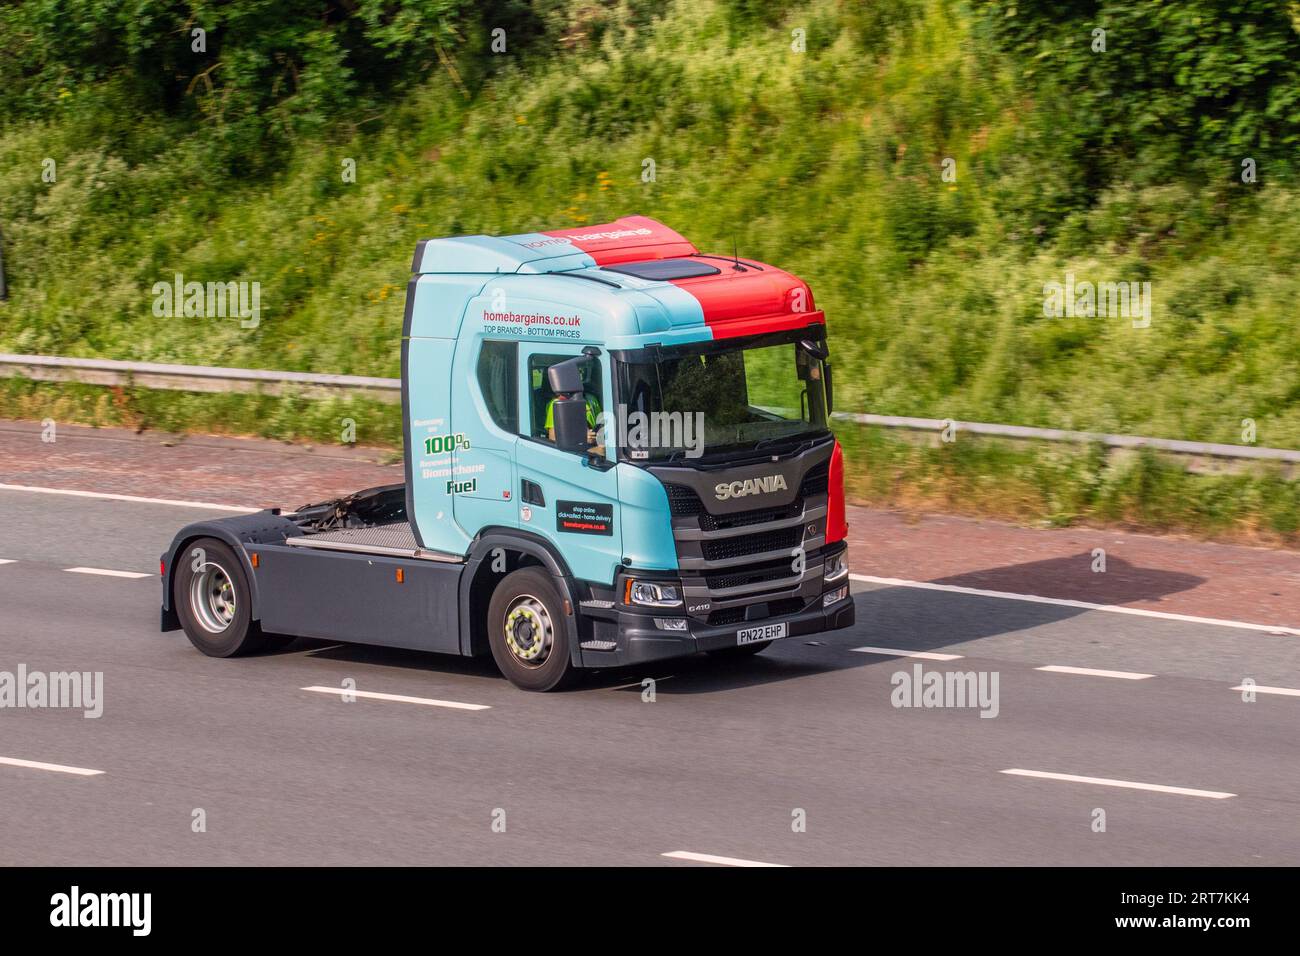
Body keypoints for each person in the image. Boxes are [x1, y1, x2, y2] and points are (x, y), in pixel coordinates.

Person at [544, 361, 601, 446]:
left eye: (580, 372)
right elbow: (553, 438)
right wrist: (581, 438)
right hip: (576, 449)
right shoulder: (557, 403)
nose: (579, 376)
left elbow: (602, 423)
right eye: (575, 373)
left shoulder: (591, 399)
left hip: (598, 444)